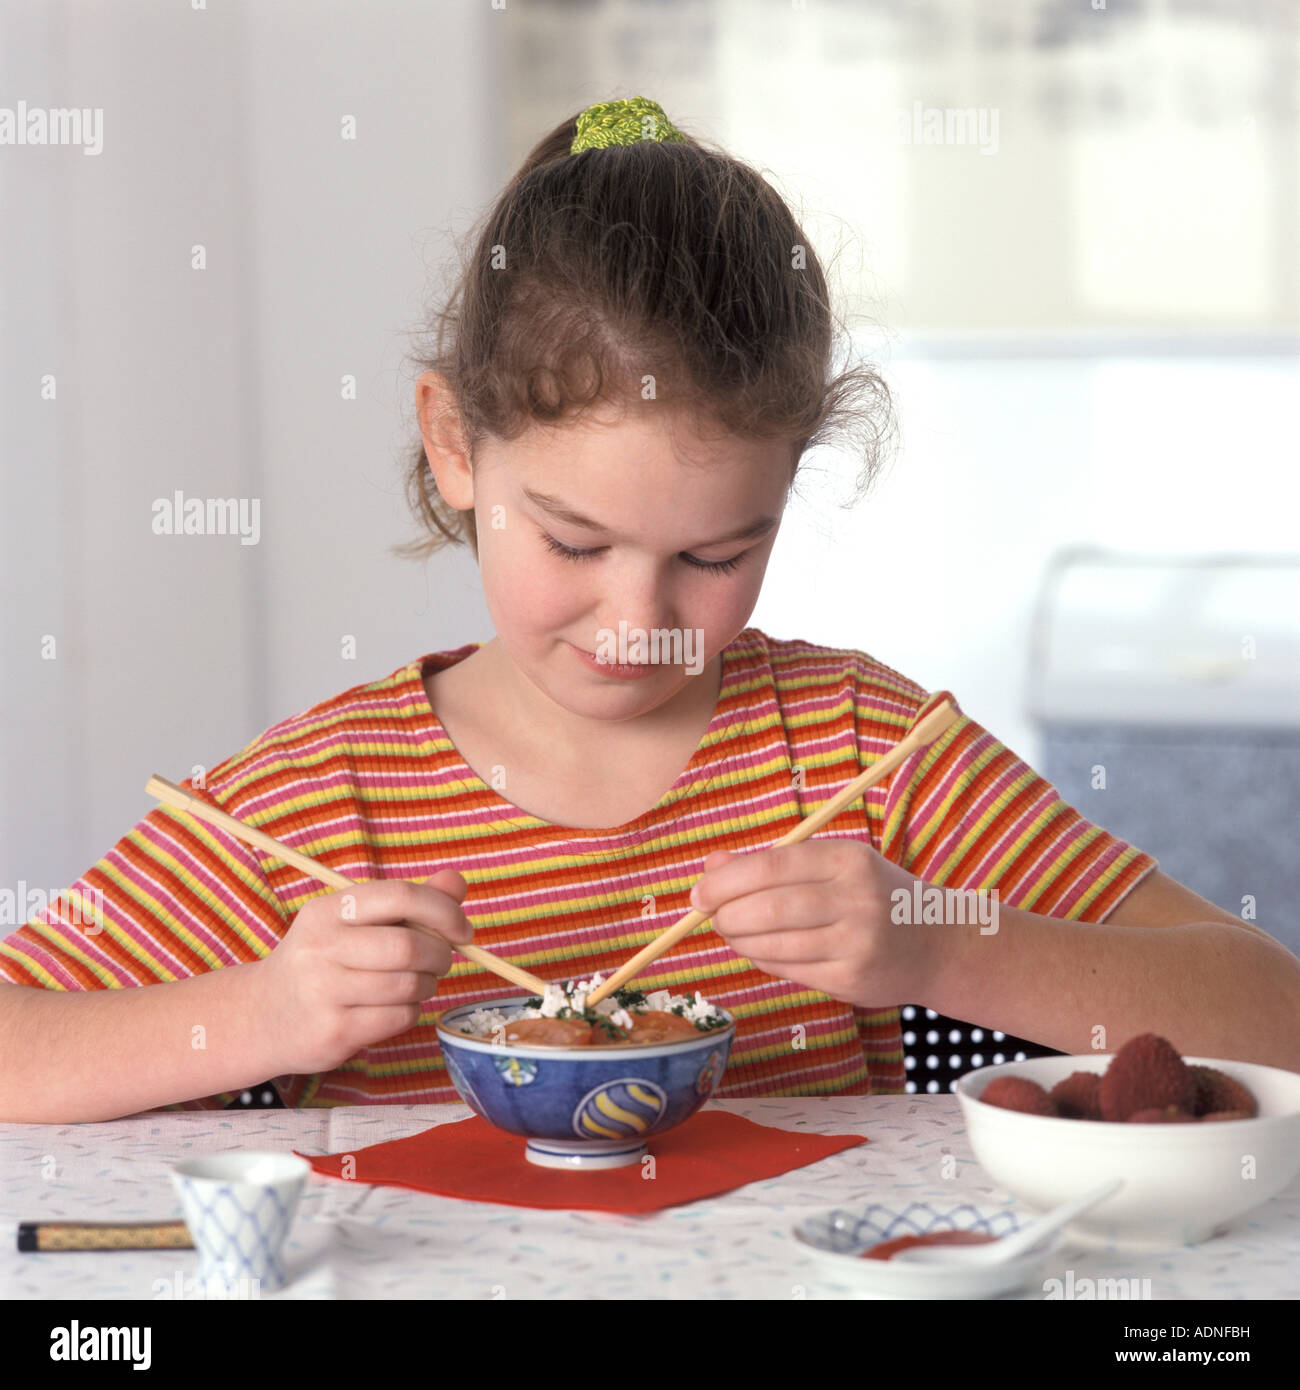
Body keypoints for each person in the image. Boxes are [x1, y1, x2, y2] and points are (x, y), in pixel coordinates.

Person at [2, 97, 1296, 1124]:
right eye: (574, 540)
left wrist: (940, 947)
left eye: (720, 550)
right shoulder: (326, 802)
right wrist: (267, 1011)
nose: (641, 620)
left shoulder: (857, 753)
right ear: (453, 445)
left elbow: (1272, 1010)